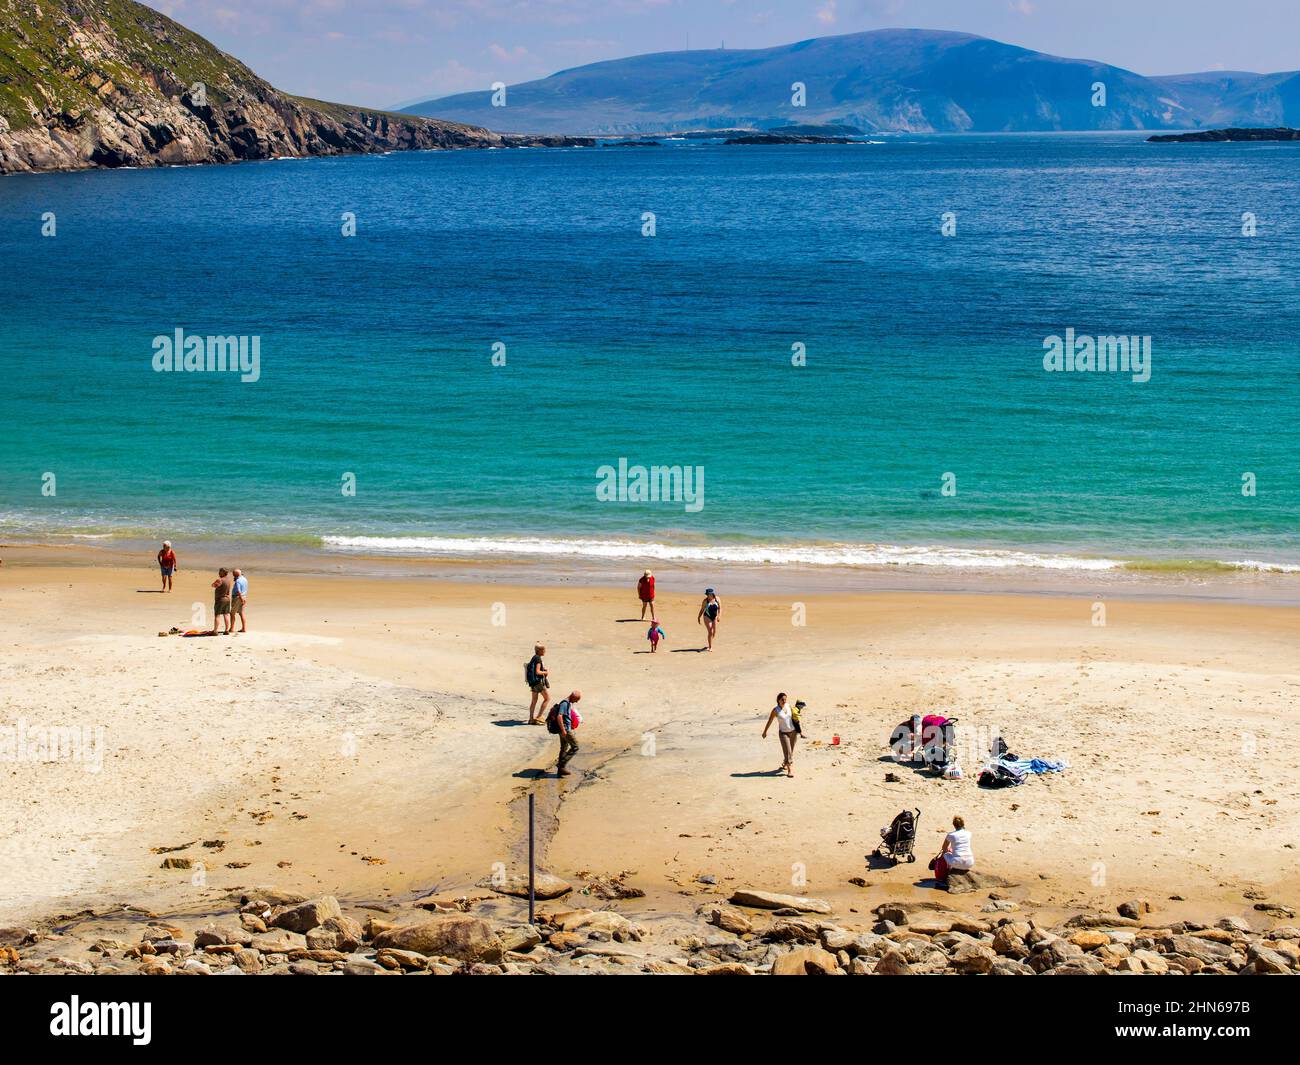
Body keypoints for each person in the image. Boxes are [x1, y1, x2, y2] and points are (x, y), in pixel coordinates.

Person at [761, 692, 797, 778]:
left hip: (793, 732)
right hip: (783, 733)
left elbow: (794, 717)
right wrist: (765, 731)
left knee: (790, 751)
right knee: (788, 751)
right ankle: (790, 770)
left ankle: (785, 762)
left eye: (785, 699)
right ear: (778, 700)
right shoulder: (775, 710)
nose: (784, 701)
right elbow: (770, 721)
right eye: (782, 700)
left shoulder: (788, 706)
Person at [929, 815, 975, 883]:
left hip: (957, 862)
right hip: (970, 862)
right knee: (955, 852)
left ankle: (945, 872)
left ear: (954, 825)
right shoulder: (969, 833)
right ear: (963, 824)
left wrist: (949, 850)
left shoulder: (951, 835)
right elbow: (961, 845)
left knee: (945, 854)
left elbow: (944, 848)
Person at [552, 690, 583, 777]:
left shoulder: (568, 703)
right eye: (576, 700)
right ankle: (561, 765)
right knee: (576, 746)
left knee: (564, 748)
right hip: (565, 730)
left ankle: (560, 770)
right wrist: (563, 730)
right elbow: (559, 716)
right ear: (572, 697)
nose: (576, 701)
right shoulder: (565, 703)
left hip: (564, 729)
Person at [527, 643, 550, 724]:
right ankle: (539, 717)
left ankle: (531, 719)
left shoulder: (534, 658)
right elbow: (537, 672)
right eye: (543, 650)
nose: (545, 651)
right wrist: (545, 672)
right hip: (538, 683)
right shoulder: (538, 659)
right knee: (547, 699)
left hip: (533, 683)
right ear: (539, 650)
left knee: (534, 701)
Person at [210, 568, 233, 635]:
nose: (219, 573)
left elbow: (213, 585)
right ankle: (226, 630)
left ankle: (215, 631)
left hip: (220, 599)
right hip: (227, 599)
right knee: (226, 614)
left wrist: (215, 582)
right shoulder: (228, 580)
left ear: (223, 573)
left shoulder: (220, 580)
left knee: (217, 615)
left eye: (220, 572)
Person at [231, 568, 249, 633]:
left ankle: (232, 628)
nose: (233, 576)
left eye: (233, 575)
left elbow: (238, 591)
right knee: (242, 613)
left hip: (238, 597)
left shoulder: (238, 581)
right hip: (244, 596)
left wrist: (241, 599)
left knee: (232, 613)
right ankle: (244, 628)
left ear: (235, 575)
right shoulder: (245, 579)